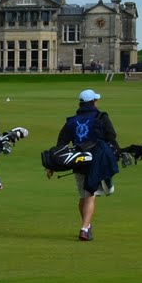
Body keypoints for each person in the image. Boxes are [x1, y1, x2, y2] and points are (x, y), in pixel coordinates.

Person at [49, 88, 119, 242]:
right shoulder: (101, 117)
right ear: (93, 102)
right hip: (97, 160)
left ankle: (86, 226)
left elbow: (61, 144)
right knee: (90, 195)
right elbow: (111, 136)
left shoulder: (72, 121)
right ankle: (85, 228)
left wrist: (52, 166)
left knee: (84, 195)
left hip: (78, 160)